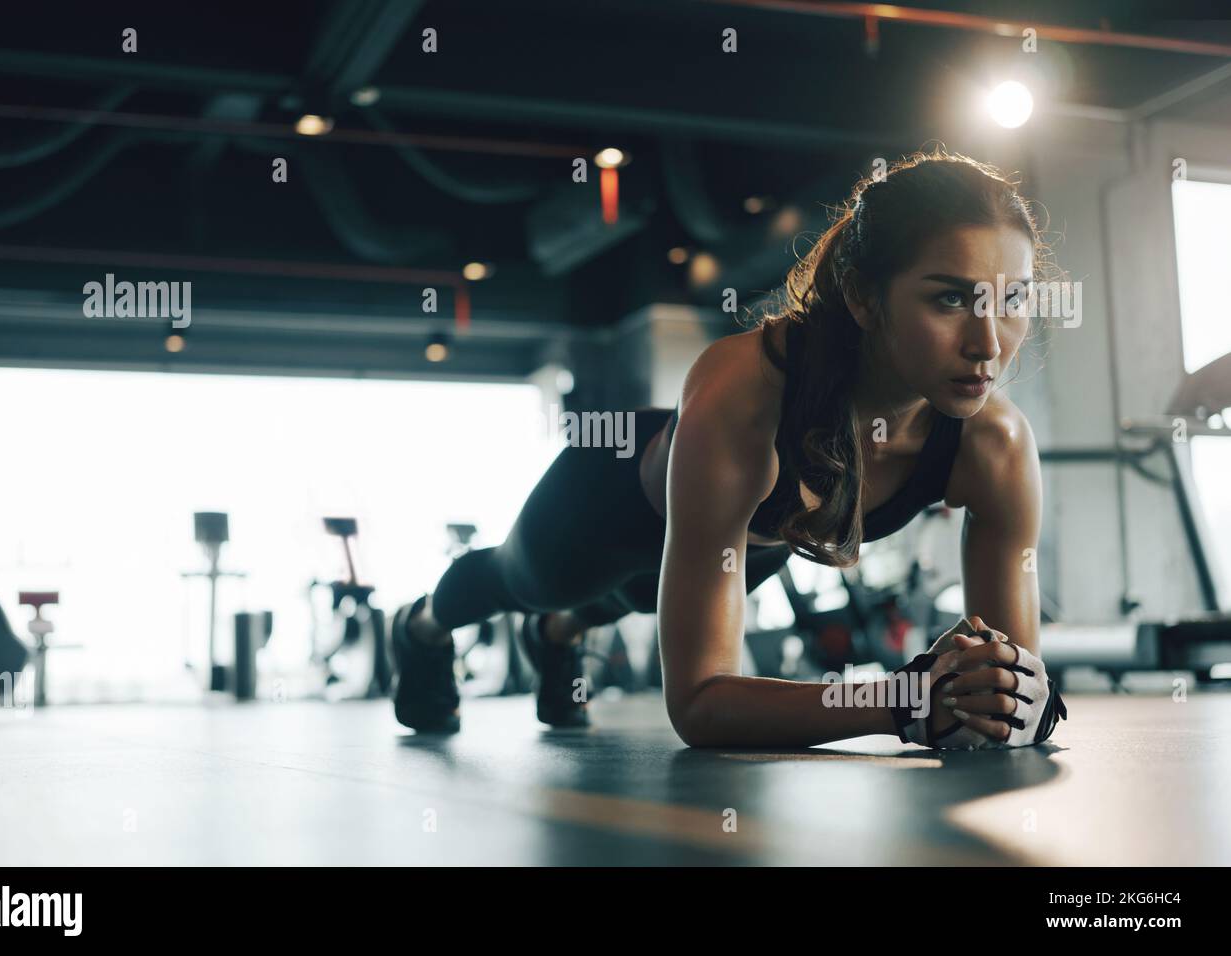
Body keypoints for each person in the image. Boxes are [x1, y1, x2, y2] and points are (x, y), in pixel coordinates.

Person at [390, 147, 1067, 750]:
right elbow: (700, 705)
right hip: (607, 503)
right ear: (864, 296)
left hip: (746, 545)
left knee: (625, 603)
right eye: (950, 300)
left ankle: (559, 637)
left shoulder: (994, 445)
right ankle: (419, 627)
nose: (989, 343)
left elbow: (1014, 680)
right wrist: (901, 700)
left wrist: (1013, 699)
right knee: (521, 584)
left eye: (1011, 300)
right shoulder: (743, 394)